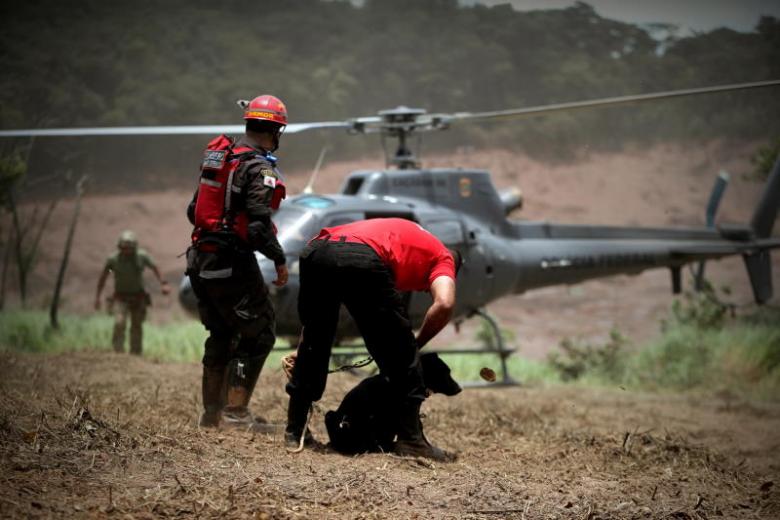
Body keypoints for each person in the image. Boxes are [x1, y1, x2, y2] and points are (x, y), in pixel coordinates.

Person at [285, 217, 460, 461]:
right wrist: (415, 346)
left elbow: (314, 329)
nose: (422, 290)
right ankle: (411, 441)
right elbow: (444, 303)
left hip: (317, 249)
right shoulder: (444, 258)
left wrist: (305, 347)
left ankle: (294, 431)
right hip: (362, 255)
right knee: (403, 355)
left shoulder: (409, 240)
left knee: (315, 343)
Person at [186, 94, 289, 431]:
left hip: (200, 258)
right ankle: (235, 415)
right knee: (259, 333)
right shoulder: (259, 168)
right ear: (275, 131)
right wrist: (279, 260)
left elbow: (193, 211)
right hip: (232, 261)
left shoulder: (223, 158)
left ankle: (212, 415)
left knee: (221, 332)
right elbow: (259, 227)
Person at [95, 230, 170, 355]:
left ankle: (135, 355)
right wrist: (97, 297)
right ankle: (117, 353)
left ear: (134, 247)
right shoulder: (113, 260)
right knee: (119, 323)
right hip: (120, 297)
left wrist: (163, 283)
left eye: (130, 248)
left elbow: (155, 267)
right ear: (120, 247)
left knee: (136, 326)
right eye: (124, 248)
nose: (127, 251)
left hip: (138, 297)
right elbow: (103, 277)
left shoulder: (141, 256)